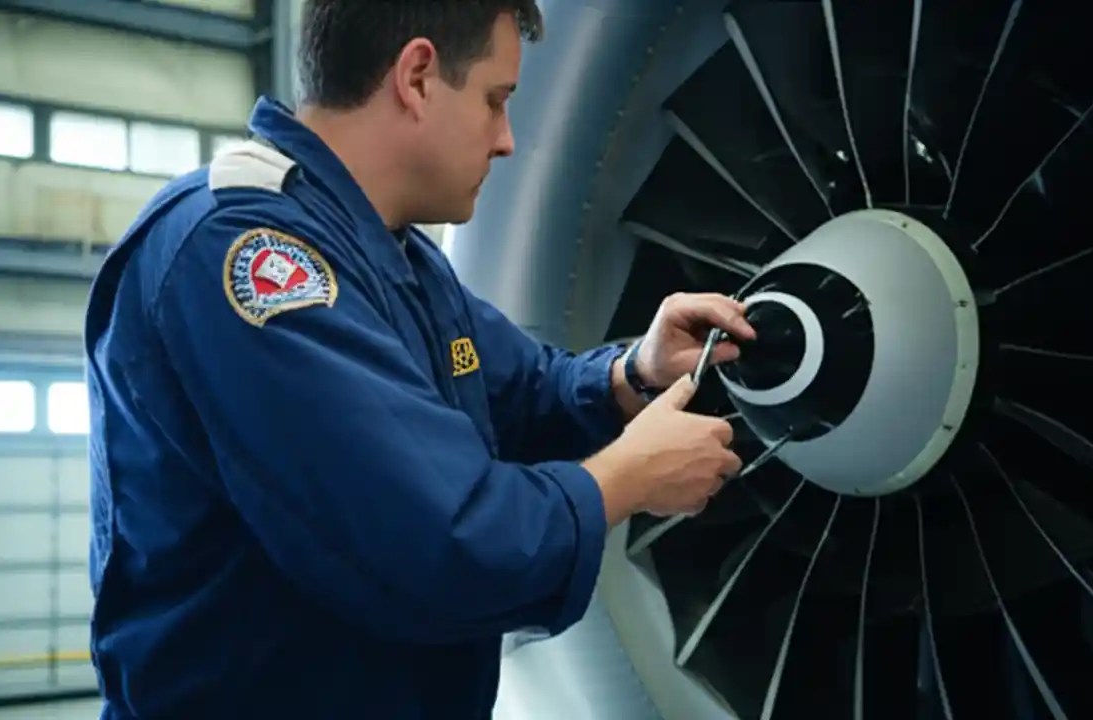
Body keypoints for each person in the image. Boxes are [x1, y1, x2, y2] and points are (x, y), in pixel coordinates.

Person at [82, 0, 754, 717]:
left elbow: (525, 390)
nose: (507, 142)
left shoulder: (398, 262)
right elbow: (439, 546)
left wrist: (633, 373)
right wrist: (630, 476)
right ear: (419, 77)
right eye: (496, 101)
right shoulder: (248, 258)